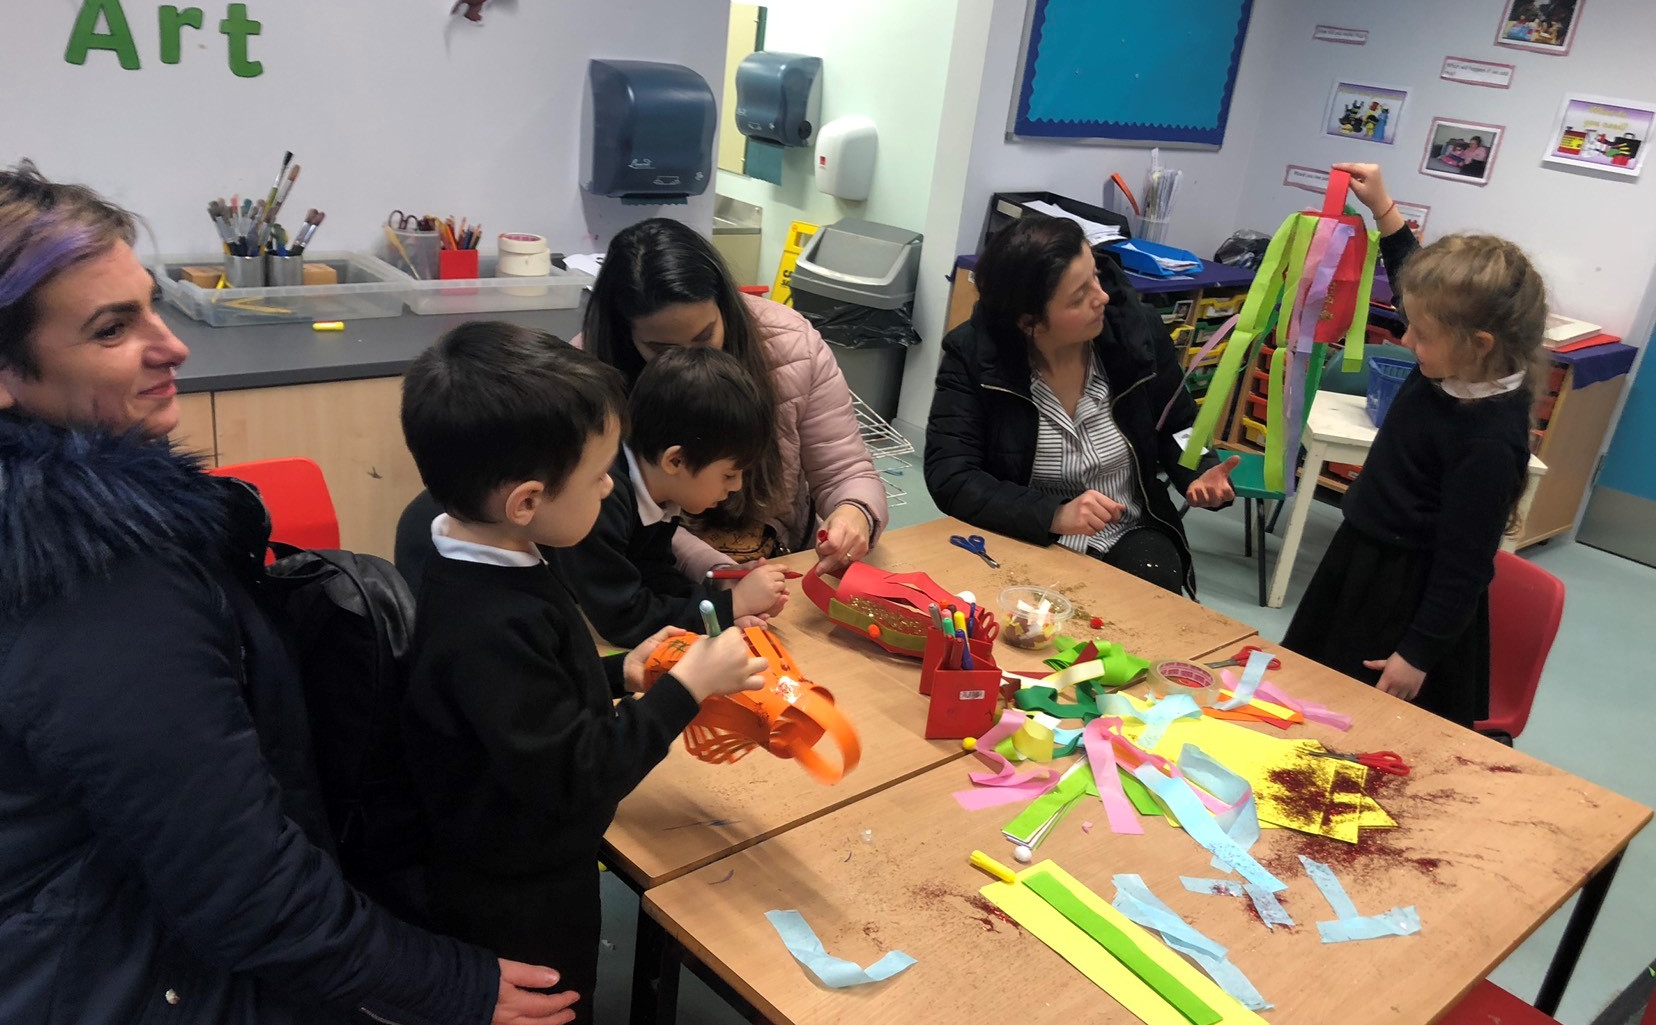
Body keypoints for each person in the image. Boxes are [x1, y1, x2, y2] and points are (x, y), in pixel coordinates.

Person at [0, 162, 575, 1025]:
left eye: (151, 307)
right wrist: (455, 990)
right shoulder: (93, 582)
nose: (172, 343)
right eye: (112, 328)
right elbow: (249, 893)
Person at [397, 321, 766, 1025]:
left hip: (502, 858)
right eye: (601, 474)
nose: (611, 488)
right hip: (511, 893)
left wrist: (617, 670)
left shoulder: (479, 547)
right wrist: (683, 693)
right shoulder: (488, 615)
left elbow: (525, 706)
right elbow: (574, 775)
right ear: (527, 498)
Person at [1283, 162, 1539, 726]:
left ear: (1479, 345)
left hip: (1405, 599)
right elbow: (1411, 279)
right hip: (1361, 557)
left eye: (1420, 334)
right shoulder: (1455, 359)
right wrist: (1383, 208)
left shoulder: (1490, 438)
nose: (1405, 340)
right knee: (1307, 698)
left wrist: (1417, 654)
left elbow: (1466, 565)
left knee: (1354, 728)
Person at [924, 214, 1238, 594]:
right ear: (1030, 322)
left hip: (1130, 528)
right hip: (1025, 532)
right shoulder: (973, 356)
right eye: (1079, 296)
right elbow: (952, 477)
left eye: (1095, 275)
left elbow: (1178, 424)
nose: (1101, 295)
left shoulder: (1135, 334)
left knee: (1151, 598)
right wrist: (1053, 514)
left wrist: (1199, 468)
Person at [580, 217, 888, 569]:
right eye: (662, 349)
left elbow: (845, 469)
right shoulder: (589, 374)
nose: (690, 358)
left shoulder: (792, 346)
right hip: (658, 577)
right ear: (626, 335)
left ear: (724, 305)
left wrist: (854, 514)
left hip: (781, 560)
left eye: (704, 336)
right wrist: (721, 574)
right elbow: (615, 511)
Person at [563, 344, 791, 647]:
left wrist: (719, 604)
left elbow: (653, 575)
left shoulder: (659, 488)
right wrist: (733, 605)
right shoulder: (603, 498)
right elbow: (623, 618)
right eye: (729, 474)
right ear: (676, 461)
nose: (736, 486)